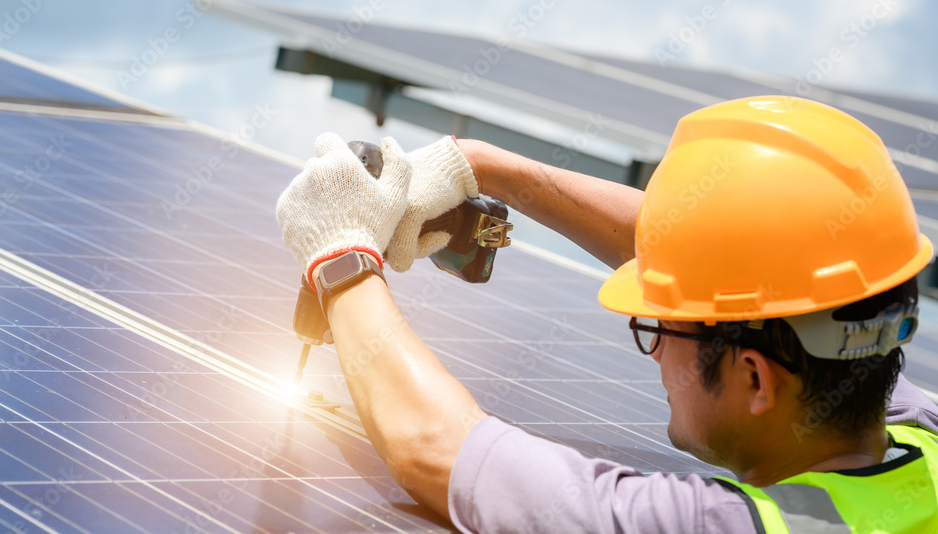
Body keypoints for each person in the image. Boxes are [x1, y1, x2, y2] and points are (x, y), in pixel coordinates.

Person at [275, 95, 938, 533]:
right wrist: (480, 166)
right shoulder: (917, 442)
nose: (651, 350)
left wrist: (340, 253)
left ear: (756, 378)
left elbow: (437, 448)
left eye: (656, 325)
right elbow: (759, 257)